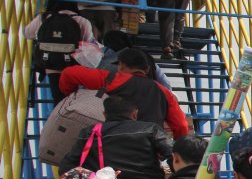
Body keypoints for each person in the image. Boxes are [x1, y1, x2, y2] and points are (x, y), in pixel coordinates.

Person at [59, 48, 190, 139]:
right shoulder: (165, 92)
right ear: (148, 69)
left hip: (112, 142)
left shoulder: (113, 79)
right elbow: (181, 126)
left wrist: (70, 96)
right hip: (150, 148)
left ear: (121, 66)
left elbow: (69, 73)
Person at [24, 0, 97, 102]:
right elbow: (88, 42)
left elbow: (27, 34)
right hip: (72, 64)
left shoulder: (44, 17)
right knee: (72, 97)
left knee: (58, 98)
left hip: (49, 63)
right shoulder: (82, 21)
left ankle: (60, 116)